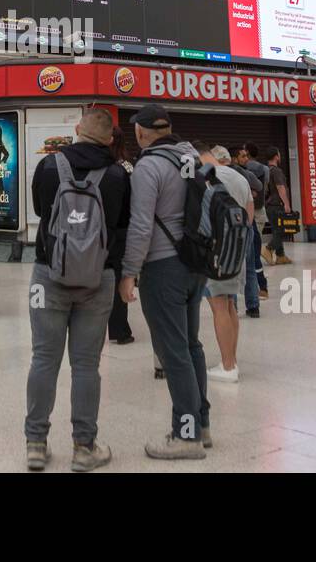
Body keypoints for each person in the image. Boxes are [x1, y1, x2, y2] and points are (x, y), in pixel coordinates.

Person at [25, 109, 130, 472]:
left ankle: (36, 444)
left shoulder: (49, 166)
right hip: (98, 278)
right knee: (86, 365)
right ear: (110, 139)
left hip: (47, 274)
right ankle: (84, 448)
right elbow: (122, 227)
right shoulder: (118, 175)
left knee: (43, 359)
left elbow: (41, 209)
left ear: (76, 130)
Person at [118, 105, 210, 459]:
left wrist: (129, 272)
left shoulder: (148, 166)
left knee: (173, 351)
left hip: (163, 267)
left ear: (141, 133)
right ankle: (201, 425)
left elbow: (141, 226)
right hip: (194, 263)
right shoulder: (191, 157)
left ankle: (185, 436)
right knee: (191, 345)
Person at [197, 144, 252, 383]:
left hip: (215, 253)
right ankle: (231, 359)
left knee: (219, 307)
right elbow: (249, 216)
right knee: (230, 306)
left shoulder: (207, 179)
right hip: (237, 250)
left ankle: (228, 367)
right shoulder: (239, 178)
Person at [107, 127, 135, 344]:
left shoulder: (101, 165)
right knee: (118, 280)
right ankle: (120, 330)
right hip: (122, 232)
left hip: (98, 231)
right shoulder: (127, 166)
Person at [235, 144, 270, 314]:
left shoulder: (216, 173)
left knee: (229, 268)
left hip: (230, 225)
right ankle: (255, 301)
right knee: (251, 261)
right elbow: (260, 187)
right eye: (242, 156)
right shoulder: (247, 173)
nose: (245, 159)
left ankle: (232, 307)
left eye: (246, 155)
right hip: (248, 220)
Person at [260, 146, 293, 265]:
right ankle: (268, 249)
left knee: (276, 230)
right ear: (276, 157)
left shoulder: (265, 170)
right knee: (282, 230)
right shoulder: (276, 171)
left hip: (268, 205)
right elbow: (280, 187)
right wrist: (286, 203)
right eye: (279, 154)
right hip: (277, 204)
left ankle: (281, 256)